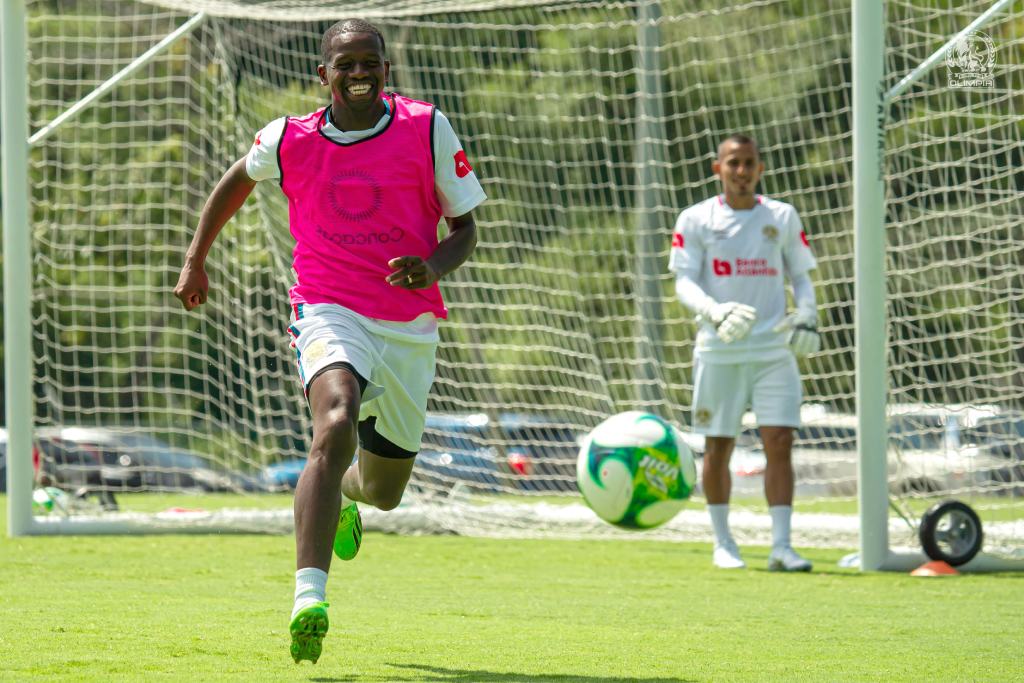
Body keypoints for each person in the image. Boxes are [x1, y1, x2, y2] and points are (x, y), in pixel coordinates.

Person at [173, 19, 485, 663]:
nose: (358, 72)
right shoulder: (289, 138)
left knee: (386, 493)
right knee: (335, 419)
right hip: (327, 308)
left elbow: (465, 229)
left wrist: (433, 265)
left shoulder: (426, 127)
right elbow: (236, 178)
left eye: (369, 61)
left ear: (385, 70)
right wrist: (195, 258)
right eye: (345, 64)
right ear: (325, 75)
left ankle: (346, 497)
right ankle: (308, 596)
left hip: (408, 326)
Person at [668, 134, 819, 572]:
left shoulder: (782, 216)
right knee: (718, 445)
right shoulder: (695, 218)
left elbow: (802, 274)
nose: (742, 170)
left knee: (781, 441)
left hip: (774, 348)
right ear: (718, 168)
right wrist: (714, 312)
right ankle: (723, 543)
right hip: (720, 348)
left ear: (760, 168)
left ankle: (782, 547)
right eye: (733, 162)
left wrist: (807, 313)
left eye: (749, 162)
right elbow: (683, 282)